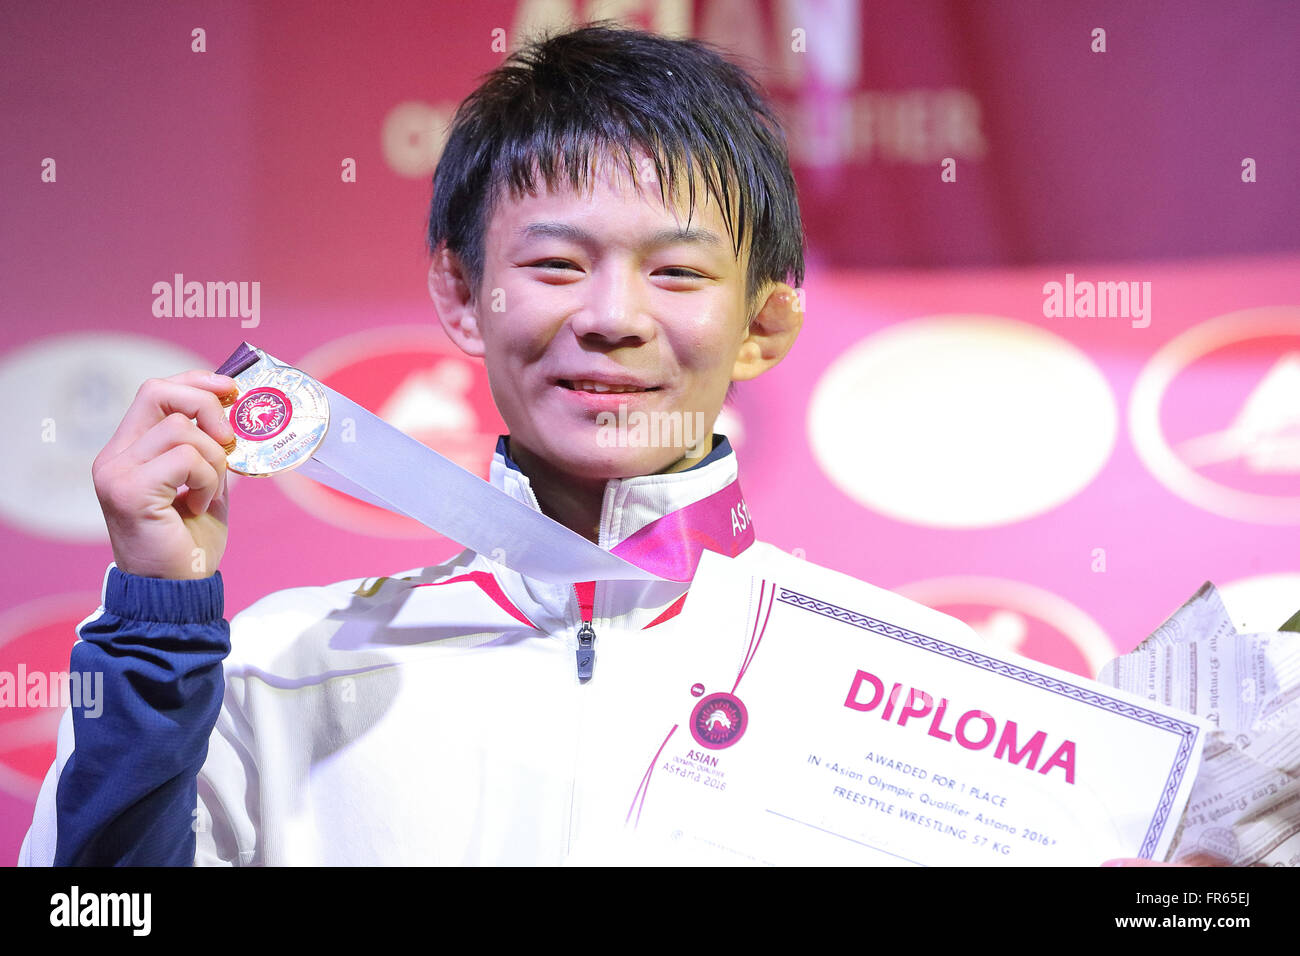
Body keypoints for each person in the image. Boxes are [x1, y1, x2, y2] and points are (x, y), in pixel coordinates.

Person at [19, 22, 806, 865]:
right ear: (463, 294)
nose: (612, 318)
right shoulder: (279, 663)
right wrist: (157, 625)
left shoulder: (889, 694)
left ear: (762, 325)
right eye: (555, 265)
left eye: (677, 272)